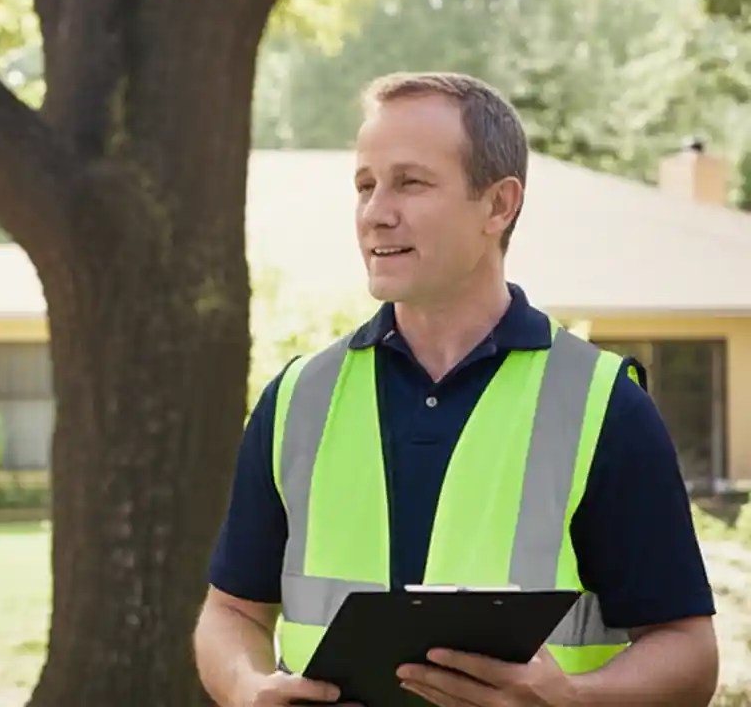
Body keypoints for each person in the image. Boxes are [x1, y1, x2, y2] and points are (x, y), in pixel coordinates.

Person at [193, 72, 720, 706]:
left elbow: (689, 653)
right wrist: (248, 689)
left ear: (498, 205)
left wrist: (571, 701)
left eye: (410, 183)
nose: (376, 213)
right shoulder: (298, 400)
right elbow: (231, 615)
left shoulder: (603, 406)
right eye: (365, 185)